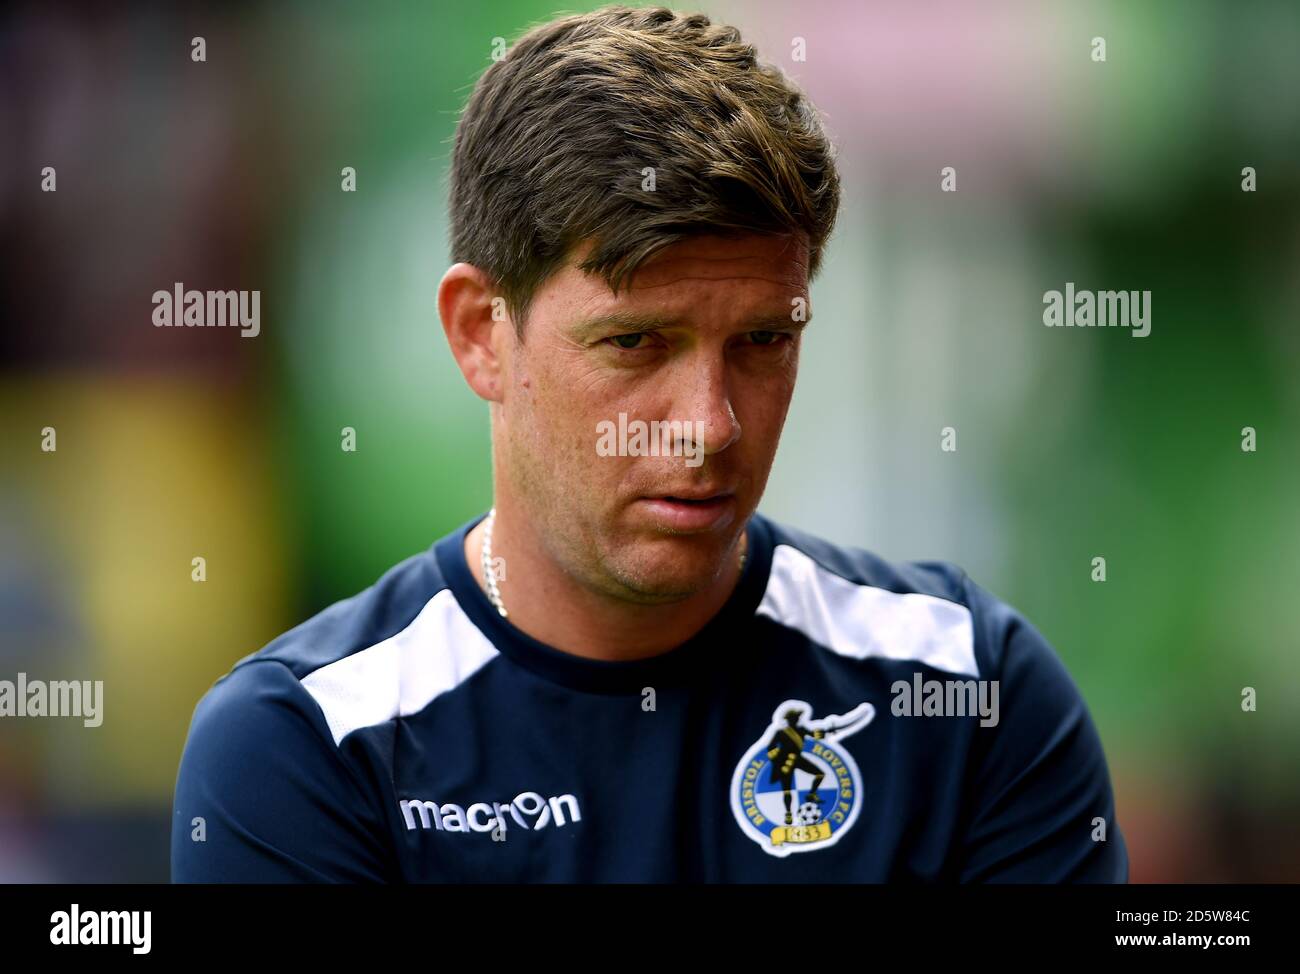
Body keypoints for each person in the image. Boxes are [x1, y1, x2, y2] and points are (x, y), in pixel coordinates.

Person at [172, 5, 1127, 882]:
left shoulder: (966, 694)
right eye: (635, 342)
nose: (710, 424)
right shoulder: (311, 747)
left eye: (763, 341)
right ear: (479, 333)